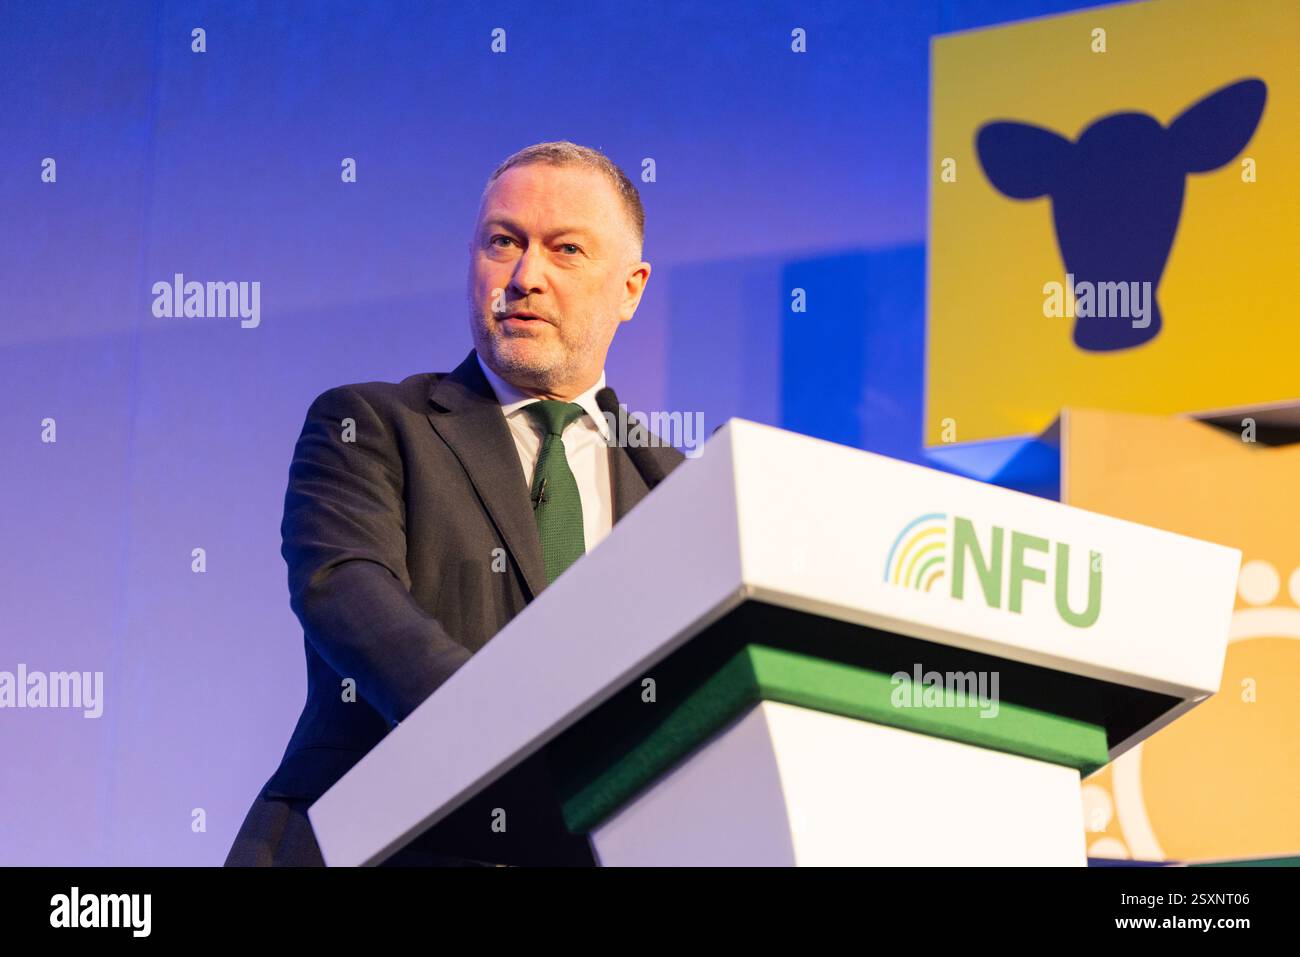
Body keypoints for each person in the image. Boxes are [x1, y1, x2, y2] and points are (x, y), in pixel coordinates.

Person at [225, 141, 684, 866]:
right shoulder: (371, 424)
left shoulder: (678, 490)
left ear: (631, 288)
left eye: (565, 249)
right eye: (503, 242)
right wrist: (524, 747)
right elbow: (346, 592)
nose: (525, 276)